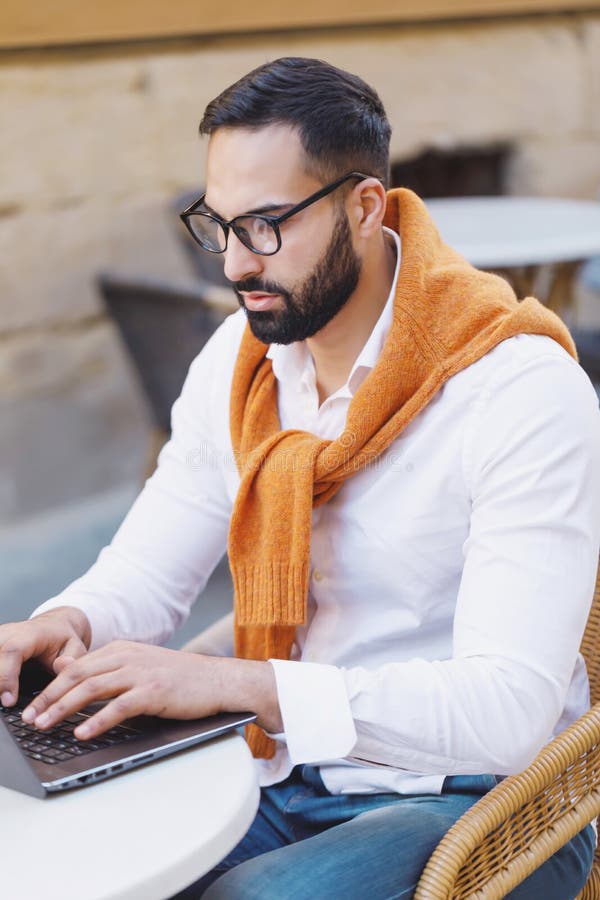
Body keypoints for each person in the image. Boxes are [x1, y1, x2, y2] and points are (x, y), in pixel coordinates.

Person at [1, 57, 600, 899]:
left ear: (364, 206)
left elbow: (504, 716)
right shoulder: (240, 367)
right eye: (220, 225)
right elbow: (147, 567)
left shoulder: (517, 390)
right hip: (284, 768)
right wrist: (66, 622)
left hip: (479, 802)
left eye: (268, 225)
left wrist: (242, 684)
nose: (237, 265)